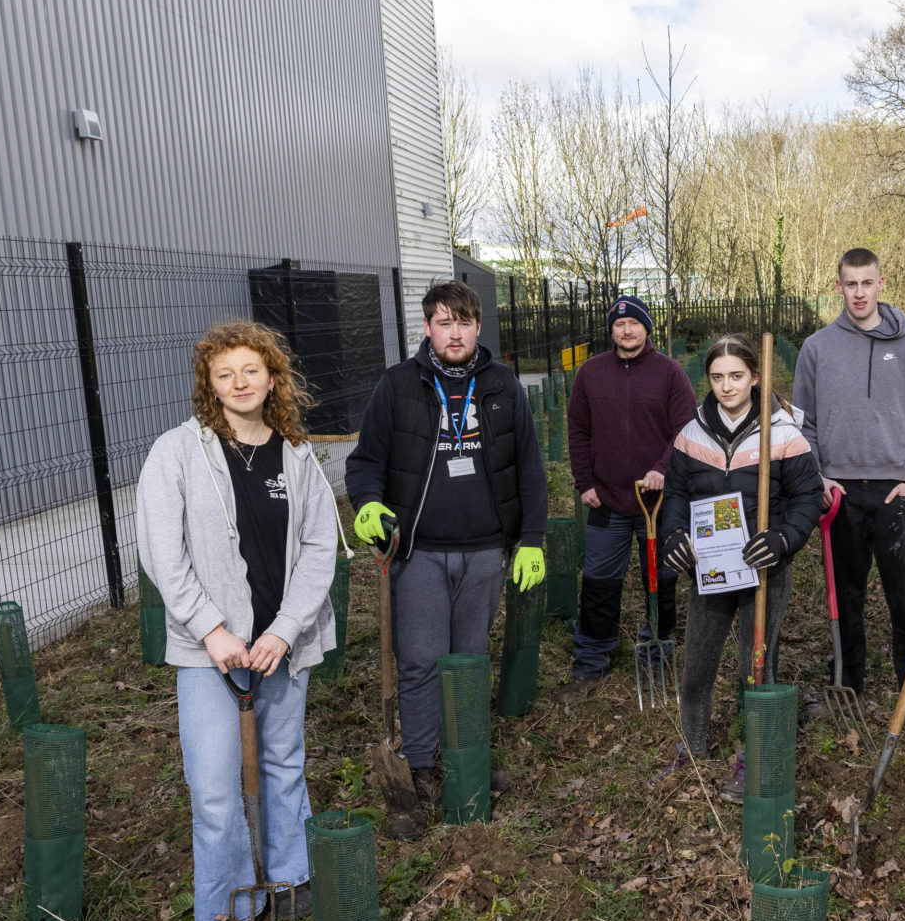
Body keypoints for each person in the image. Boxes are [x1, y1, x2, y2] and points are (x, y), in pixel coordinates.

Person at [136, 321, 345, 921]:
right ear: (209, 385)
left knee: (284, 761)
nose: (239, 383)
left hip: (278, 644)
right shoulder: (176, 454)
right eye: (224, 374)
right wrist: (212, 631)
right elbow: (163, 555)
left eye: (251, 371)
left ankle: (289, 877)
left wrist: (282, 630)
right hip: (211, 653)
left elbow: (318, 549)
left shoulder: (296, 453)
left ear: (273, 378)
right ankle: (224, 916)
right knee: (217, 788)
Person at [346, 280, 548, 837]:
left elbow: (529, 468)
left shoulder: (503, 385)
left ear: (478, 327)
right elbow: (366, 463)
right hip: (419, 554)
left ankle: (466, 758)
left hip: (485, 551)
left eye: (463, 322)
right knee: (420, 662)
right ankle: (421, 765)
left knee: (468, 661)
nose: (453, 332)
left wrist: (530, 538)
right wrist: (367, 506)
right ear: (428, 329)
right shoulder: (398, 387)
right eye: (442, 321)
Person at [792, 248, 905, 745]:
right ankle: (847, 686)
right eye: (850, 284)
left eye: (867, 283)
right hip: (838, 493)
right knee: (847, 597)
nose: (859, 293)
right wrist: (818, 478)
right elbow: (804, 426)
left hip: (896, 493)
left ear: (882, 283)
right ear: (837, 287)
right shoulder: (817, 348)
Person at [659, 334, 826, 800]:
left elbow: (808, 497)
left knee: (755, 667)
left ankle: (751, 755)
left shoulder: (783, 433)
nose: (727, 386)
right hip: (711, 570)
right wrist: (674, 535)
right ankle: (691, 744)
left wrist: (784, 538)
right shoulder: (691, 434)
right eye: (717, 377)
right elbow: (675, 493)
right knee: (698, 664)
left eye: (736, 376)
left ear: (755, 376)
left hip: (764, 570)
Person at [559, 294, 697, 703]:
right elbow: (578, 431)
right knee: (599, 581)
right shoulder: (591, 373)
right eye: (619, 325)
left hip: (658, 500)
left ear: (646, 327)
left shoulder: (670, 374)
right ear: (611, 331)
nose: (626, 330)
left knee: (662, 577)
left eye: (634, 323)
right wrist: (585, 481)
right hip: (607, 500)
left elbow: (685, 430)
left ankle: (657, 648)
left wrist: (661, 469)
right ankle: (592, 659)